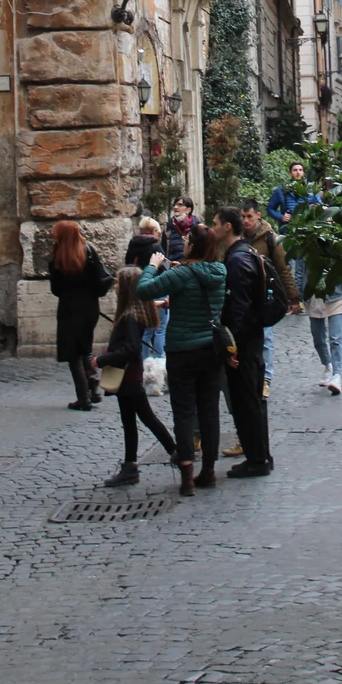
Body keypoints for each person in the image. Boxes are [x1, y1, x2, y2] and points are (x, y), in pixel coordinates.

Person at [139, 224, 226, 496]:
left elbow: (144, 290)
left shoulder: (180, 274)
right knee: (210, 411)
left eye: (187, 240)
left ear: (193, 247)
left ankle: (187, 472)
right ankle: (209, 470)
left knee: (184, 411)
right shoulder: (220, 272)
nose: (183, 242)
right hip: (211, 349)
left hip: (182, 351)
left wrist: (152, 266)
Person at [95, 266, 177, 486]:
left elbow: (131, 349)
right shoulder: (133, 313)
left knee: (145, 418)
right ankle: (131, 466)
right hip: (128, 377)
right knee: (132, 421)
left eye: (119, 282)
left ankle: (177, 454)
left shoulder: (130, 316)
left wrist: (102, 360)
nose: (115, 285)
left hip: (128, 377)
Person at [211, 206, 271, 478]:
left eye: (215, 223)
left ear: (226, 227)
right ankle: (261, 456)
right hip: (253, 339)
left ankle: (257, 460)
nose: (213, 228)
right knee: (253, 401)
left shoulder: (237, 260)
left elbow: (238, 308)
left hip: (244, 344)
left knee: (246, 401)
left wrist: (231, 347)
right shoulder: (246, 253)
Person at [47, 220, 113, 411]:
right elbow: (98, 278)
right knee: (85, 347)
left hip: (69, 307)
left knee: (73, 355)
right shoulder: (88, 251)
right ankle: (93, 388)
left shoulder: (58, 258)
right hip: (90, 306)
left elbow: (56, 288)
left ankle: (83, 397)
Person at [240, 201, 300, 397]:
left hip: (264, 295)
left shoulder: (270, 239)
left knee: (266, 337)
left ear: (258, 215)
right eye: (243, 216)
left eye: (249, 216)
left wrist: (293, 297)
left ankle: (266, 378)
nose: (246, 221)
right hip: (242, 295)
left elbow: (283, 268)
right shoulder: (238, 237)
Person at [266, 160, 320, 298]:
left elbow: (320, 205)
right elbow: (270, 208)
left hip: (304, 233)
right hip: (287, 233)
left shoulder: (309, 189)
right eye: (295, 170)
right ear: (290, 173)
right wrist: (281, 217)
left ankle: (299, 298)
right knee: (286, 267)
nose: (298, 172)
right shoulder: (281, 191)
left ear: (303, 172)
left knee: (301, 269)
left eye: (300, 170)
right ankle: (288, 298)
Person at [125, 217, 168, 360]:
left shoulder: (133, 244)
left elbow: (128, 263)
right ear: (152, 231)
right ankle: (159, 360)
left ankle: (143, 360)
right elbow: (163, 267)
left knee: (145, 330)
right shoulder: (155, 246)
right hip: (156, 287)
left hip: (139, 289)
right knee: (160, 328)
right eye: (157, 231)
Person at [307, 282, 342, 396]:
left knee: (336, 338)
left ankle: (337, 375)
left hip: (336, 293)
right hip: (313, 295)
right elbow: (300, 270)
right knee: (318, 338)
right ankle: (327, 365)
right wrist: (299, 294)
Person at [162, 197, 198, 263]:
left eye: (180, 205)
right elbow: (163, 251)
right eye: (175, 205)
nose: (175, 207)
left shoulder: (198, 229)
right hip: (173, 269)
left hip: (191, 268)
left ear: (188, 210)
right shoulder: (168, 228)